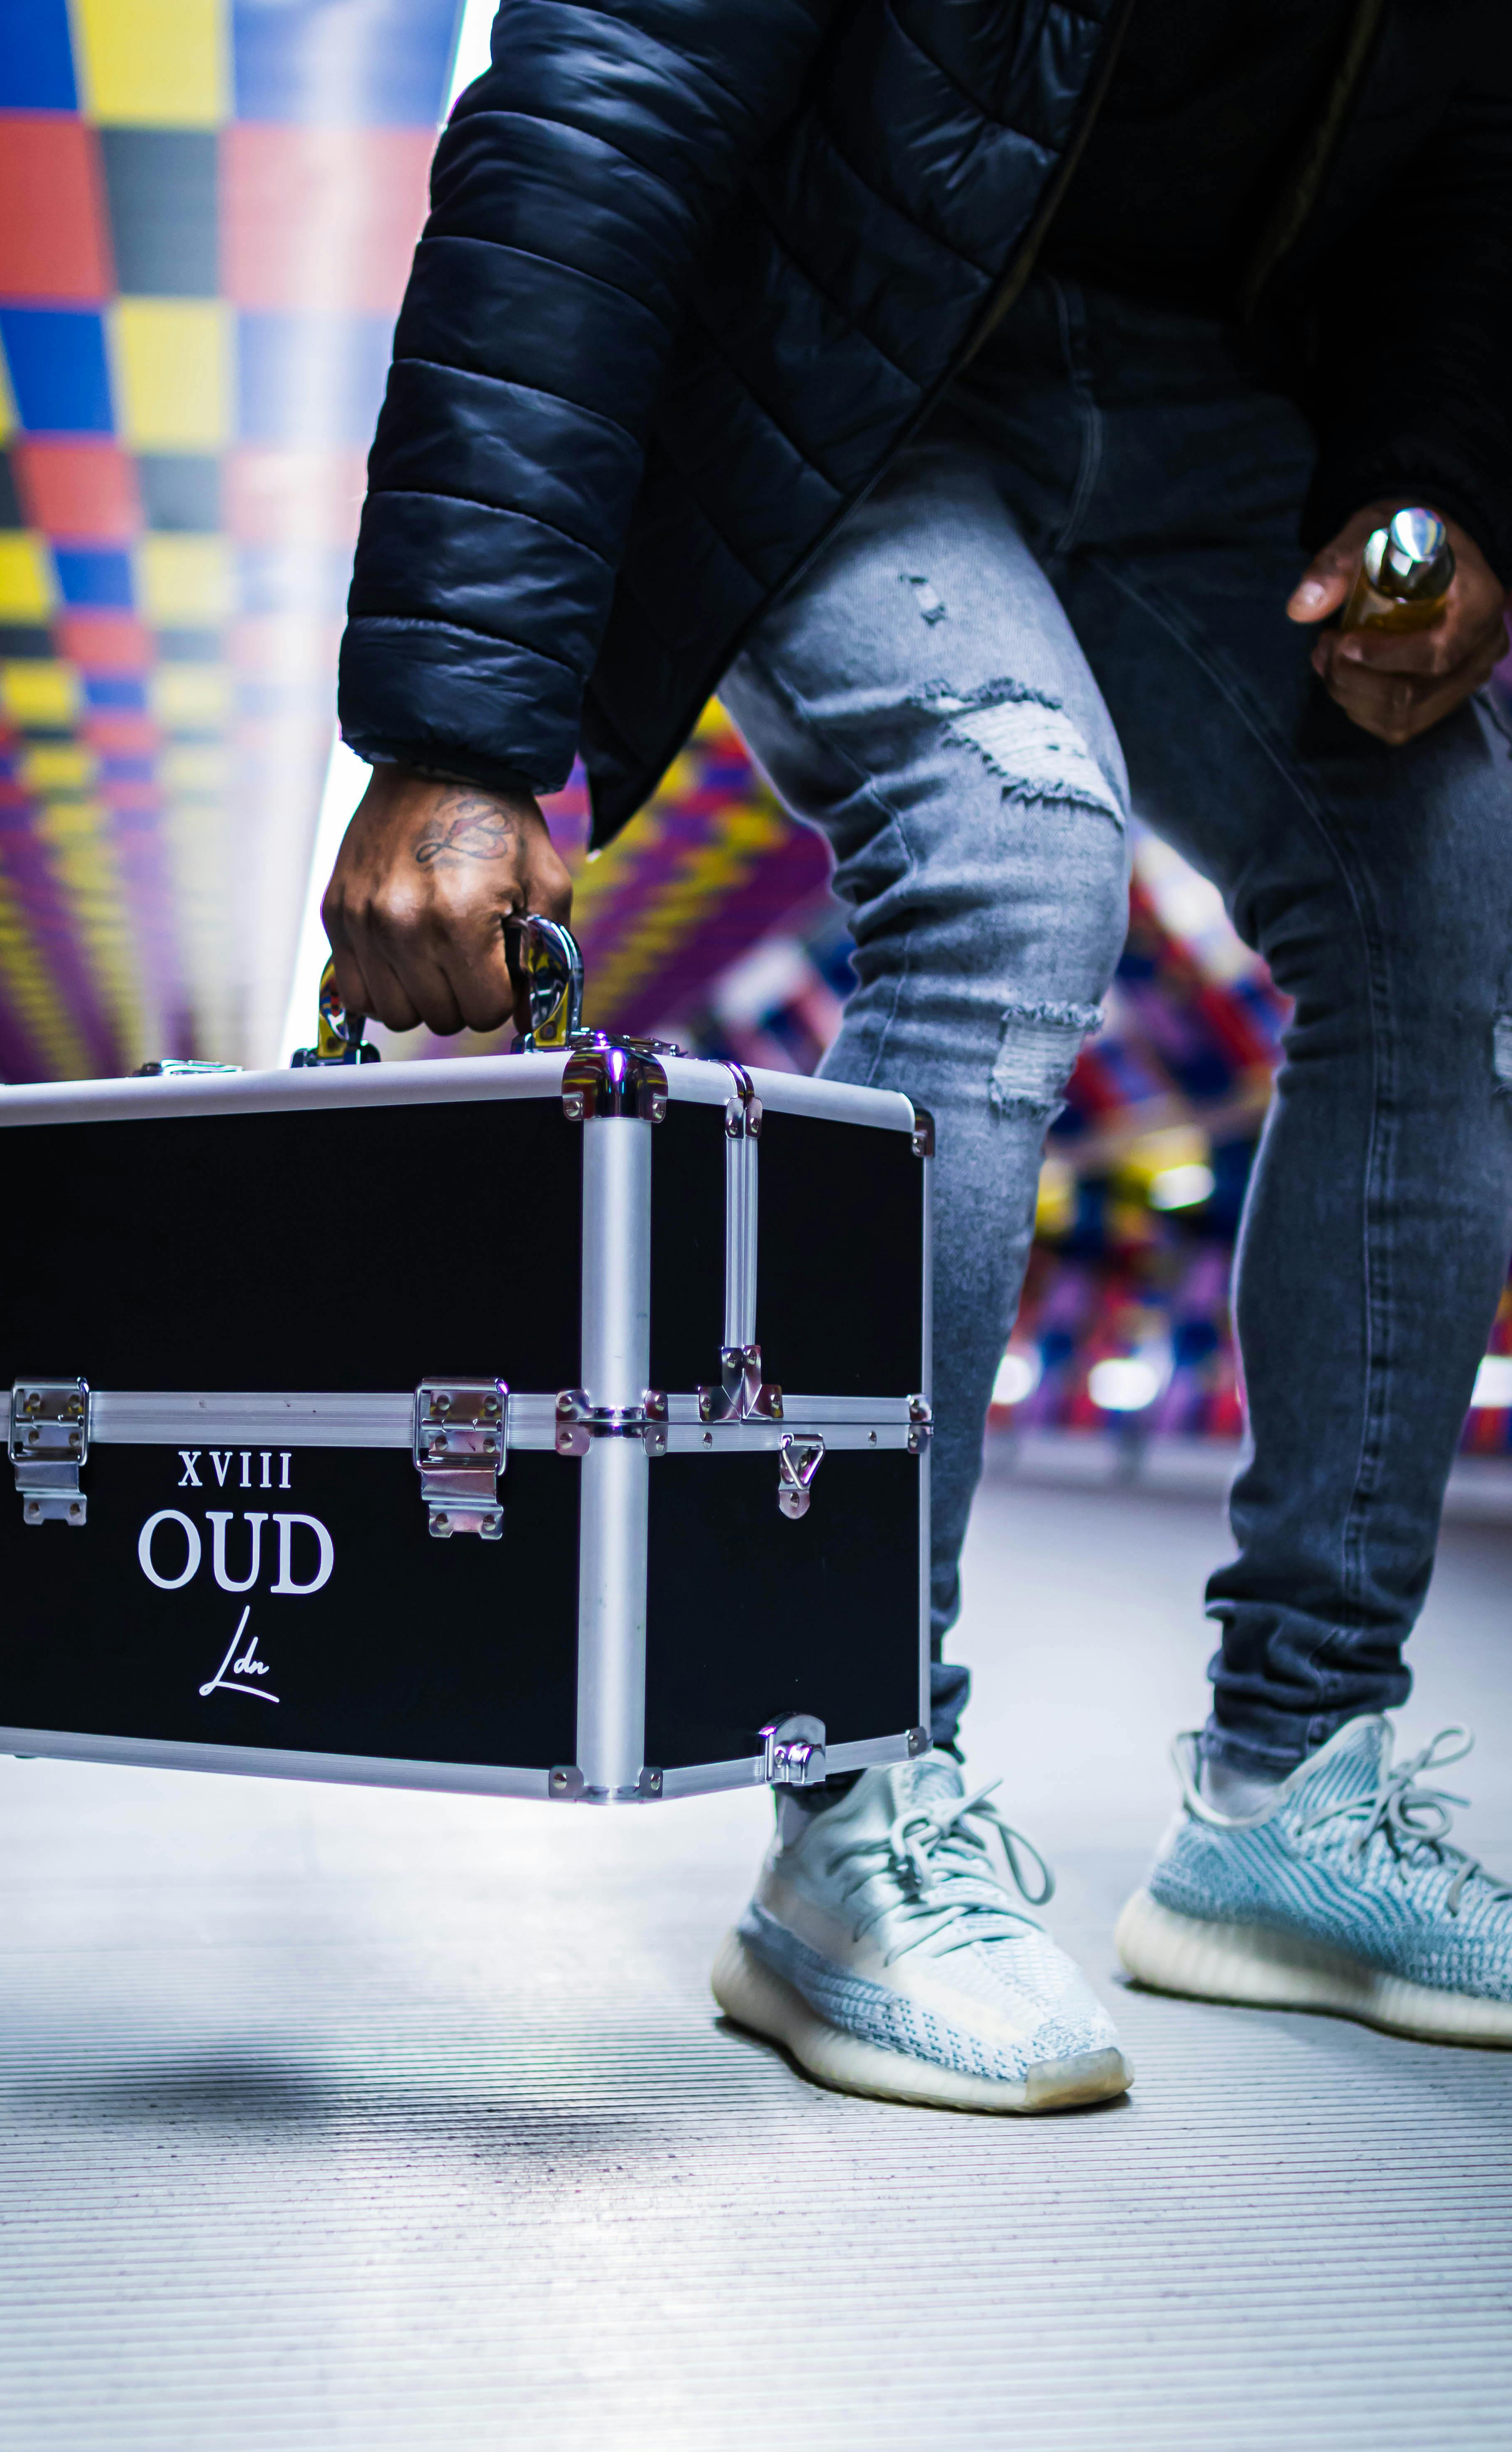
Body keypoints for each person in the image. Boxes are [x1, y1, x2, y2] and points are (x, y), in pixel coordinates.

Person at [324, 0, 1512, 2109]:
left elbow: (1471, 153)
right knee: (1011, 846)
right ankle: (850, 1799)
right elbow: (603, 106)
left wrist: (1440, 476)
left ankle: (1289, 1797)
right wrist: (461, 728)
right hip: (846, 367)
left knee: (1445, 880)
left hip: (1211, 399)